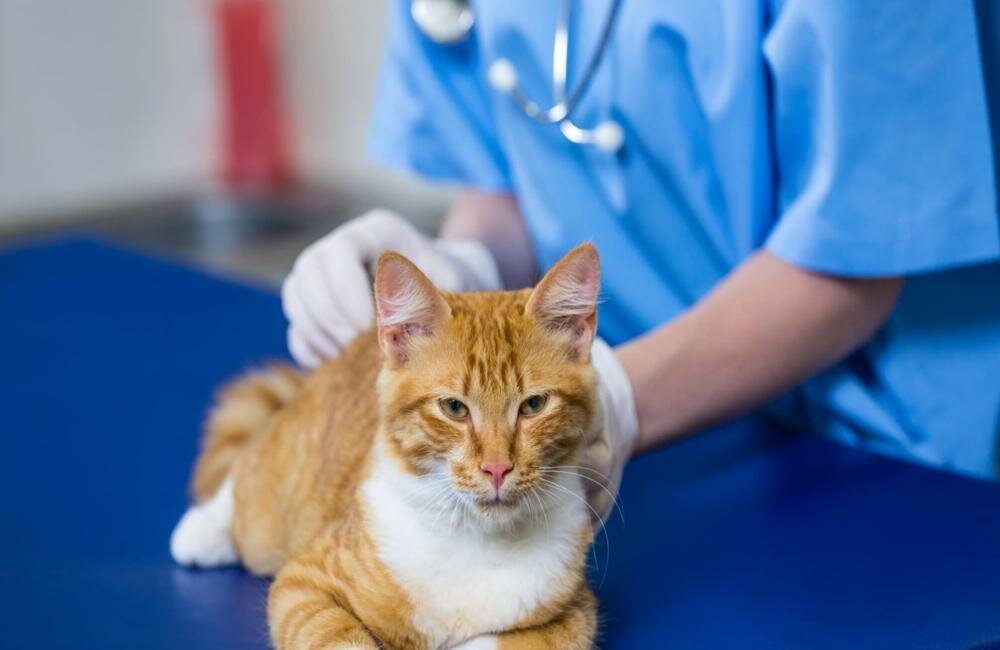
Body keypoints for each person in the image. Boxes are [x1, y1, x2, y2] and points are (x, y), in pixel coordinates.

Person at [282, 0, 1000, 518]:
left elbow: (857, 250)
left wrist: (618, 401)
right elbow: (517, 177)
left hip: (876, 452)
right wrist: (463, 270)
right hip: (598, 445)